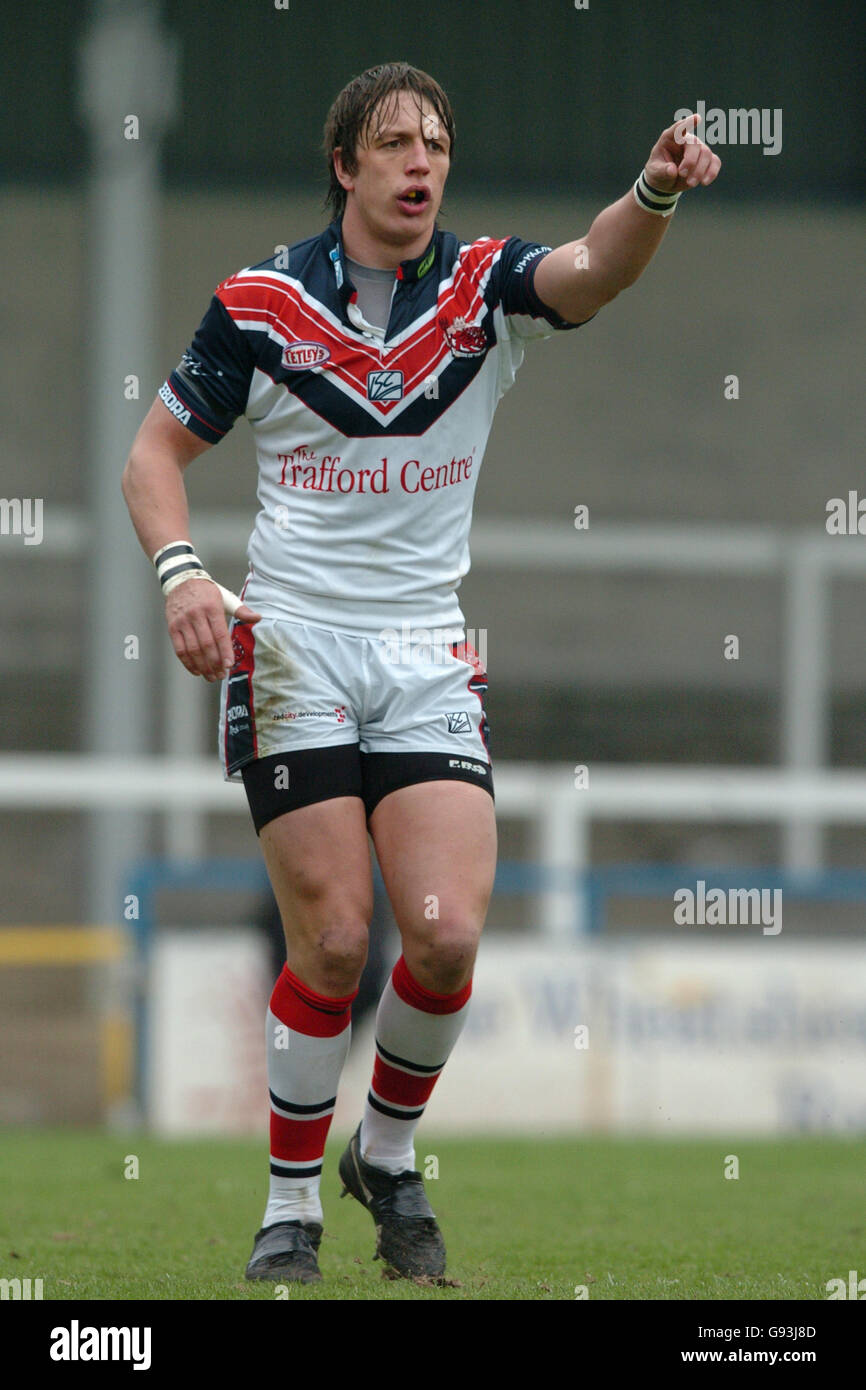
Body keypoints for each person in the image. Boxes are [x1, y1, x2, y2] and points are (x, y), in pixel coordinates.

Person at [121, 61, 721, 1285]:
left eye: (436, 144)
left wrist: (650, 192)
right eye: (394, 142)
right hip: (287, 645)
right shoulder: (259, 302)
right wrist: (183, 572)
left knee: (441, 939)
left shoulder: (483, 285)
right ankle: (289, 1208)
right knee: (336, 941)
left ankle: (383, 1155)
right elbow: (153, 452)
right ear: (345, 164)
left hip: (424, 651)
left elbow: (591, 270)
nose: (419, 163)